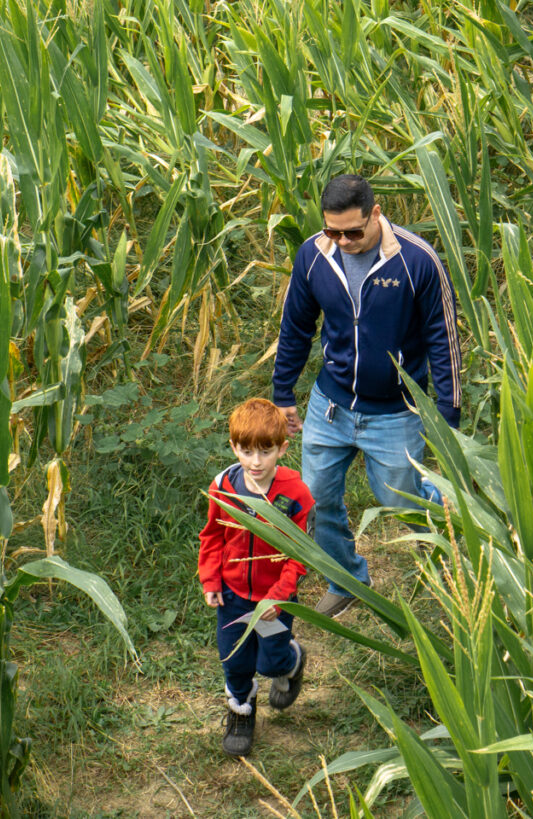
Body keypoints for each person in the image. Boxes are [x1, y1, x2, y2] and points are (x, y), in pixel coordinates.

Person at [273, 174, 461, 618]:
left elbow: (443, 337)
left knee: (399, 500)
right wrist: (283, 391)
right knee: (316, 499)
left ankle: (449, 508)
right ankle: (348, 580)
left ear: (375, 214)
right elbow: (296, 327)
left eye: (353, 232)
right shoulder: (315, 255)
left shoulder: (417, 260)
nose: (343, 241)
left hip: (395, 414)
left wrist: (449, 418)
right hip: (331, 405)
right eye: (332, 231)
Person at [198, 398, 315, 757]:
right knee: (234, 661)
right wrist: (211, 580)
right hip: (233, 595)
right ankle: (240, 710)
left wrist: (278, 597)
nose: (255, 462)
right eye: (246, 451)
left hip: (273, 601)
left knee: (270, 662)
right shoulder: (224, 487)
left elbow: (301, 555)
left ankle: (292, 661)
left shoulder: (295, 495)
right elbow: (212, 535)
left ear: (282, 448)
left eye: (265, 451)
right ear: (234, 447)